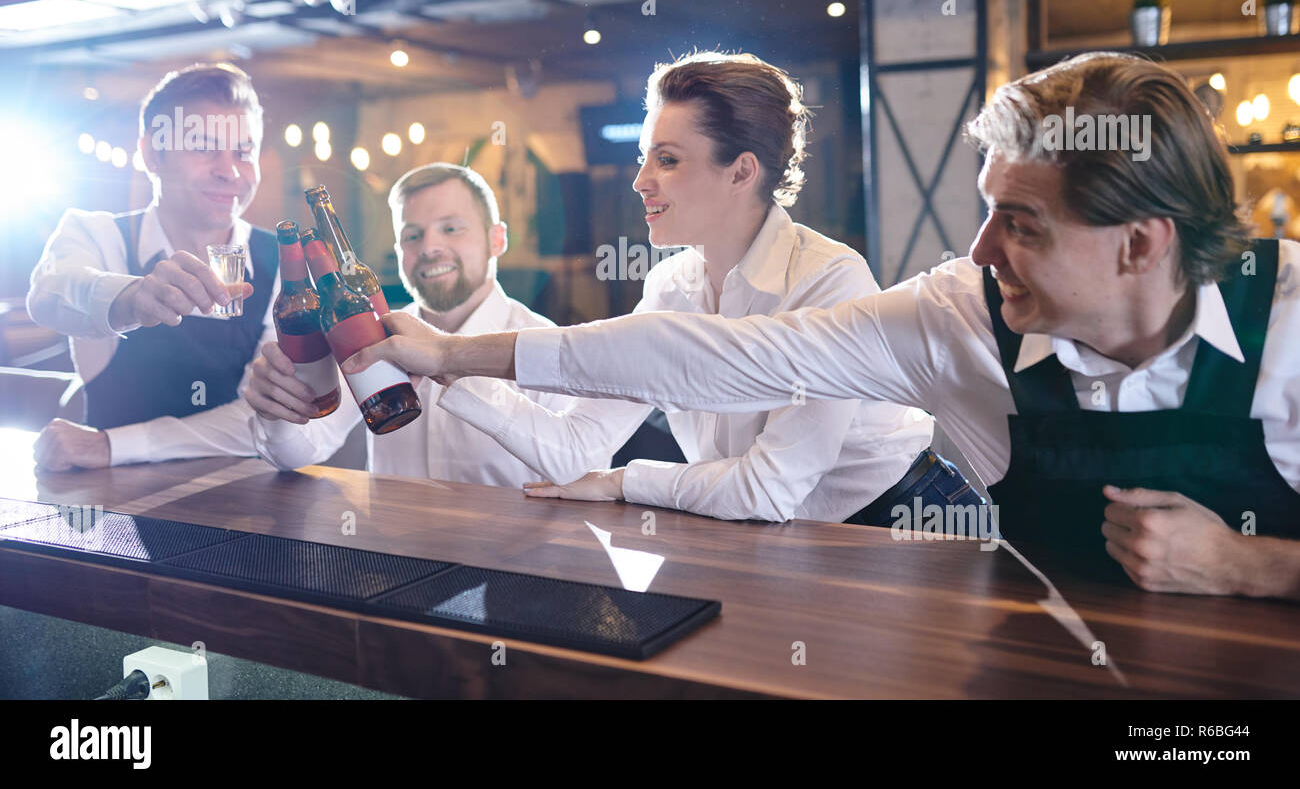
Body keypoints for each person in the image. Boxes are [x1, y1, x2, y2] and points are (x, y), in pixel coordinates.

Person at [340, 52, 1300, 600]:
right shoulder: (956, 316)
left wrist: (1249, 563)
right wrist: (449, 357)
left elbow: (768, 481)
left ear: (1139, 247)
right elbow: (721, 358)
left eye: (1023, 224)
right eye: (985, 210)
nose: (978, 252)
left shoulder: (1291, 320)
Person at [324, 51, 939, 522]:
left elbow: (767, 488)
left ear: (741, 172)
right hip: (760, 531)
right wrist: (443, 367)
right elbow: (573, 448)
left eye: (667, 160)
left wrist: (624, 482)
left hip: (895, 523)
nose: (640, 180)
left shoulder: (830, 280)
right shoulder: (671, 286)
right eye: (645, 158)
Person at [244, 163, 616, 485]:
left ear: (496, 238)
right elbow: (295, 453)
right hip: (390, 561)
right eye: (412, 235)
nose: (429, 248)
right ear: (398, 252)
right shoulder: (367, 337)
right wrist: (275, 412)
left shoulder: (547, 347)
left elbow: (583, 477)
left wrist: (448, 360)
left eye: (452, 228)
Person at [27, 63, 273, 470]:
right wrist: (132, 298)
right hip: (108, 505)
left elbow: (263, 420)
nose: (229, 171)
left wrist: (113, 446)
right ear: (151, 154)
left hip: (244, 502)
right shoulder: (96, 235)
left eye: (243, 153)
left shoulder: (281, 262)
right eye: (203, 146)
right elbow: (51, 295)